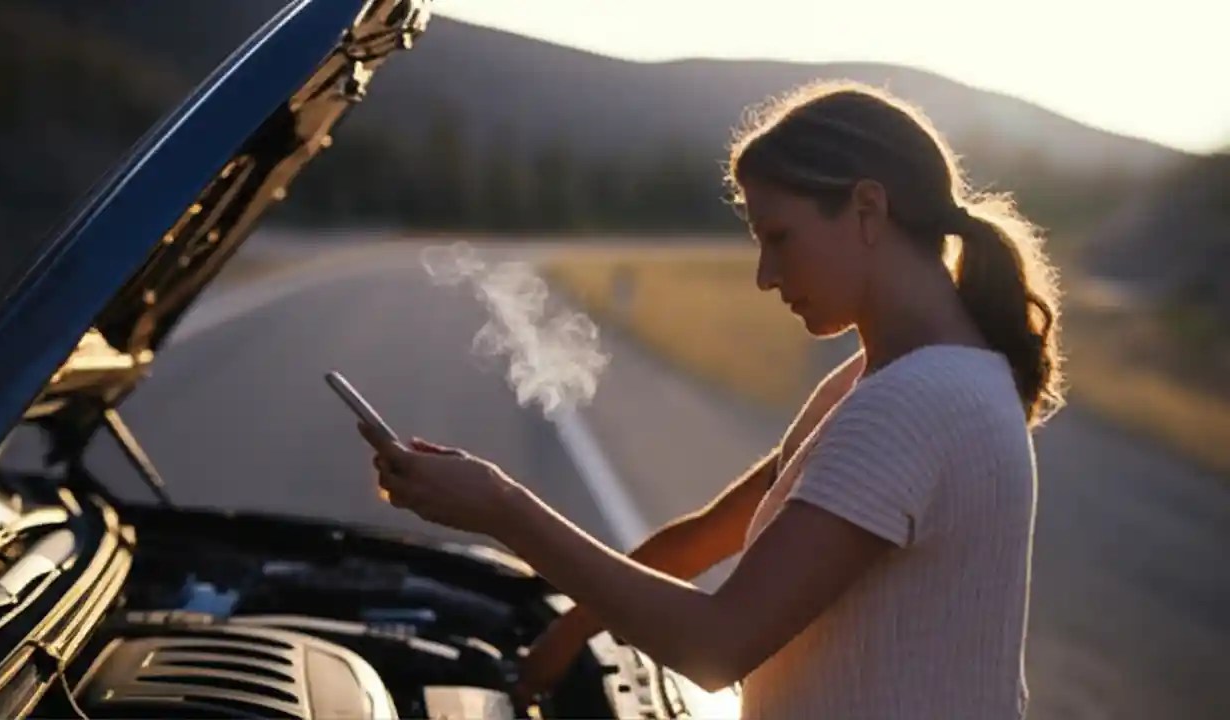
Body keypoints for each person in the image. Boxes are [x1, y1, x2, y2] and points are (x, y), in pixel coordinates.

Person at [358, 79, 1064, 719]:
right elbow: (705, 537)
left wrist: (499, 507)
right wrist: (569, 632)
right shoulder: (882, 383)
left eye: (779, 237)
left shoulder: (914, 403)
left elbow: (718, 647)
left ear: (867, 208)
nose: (765, 275)